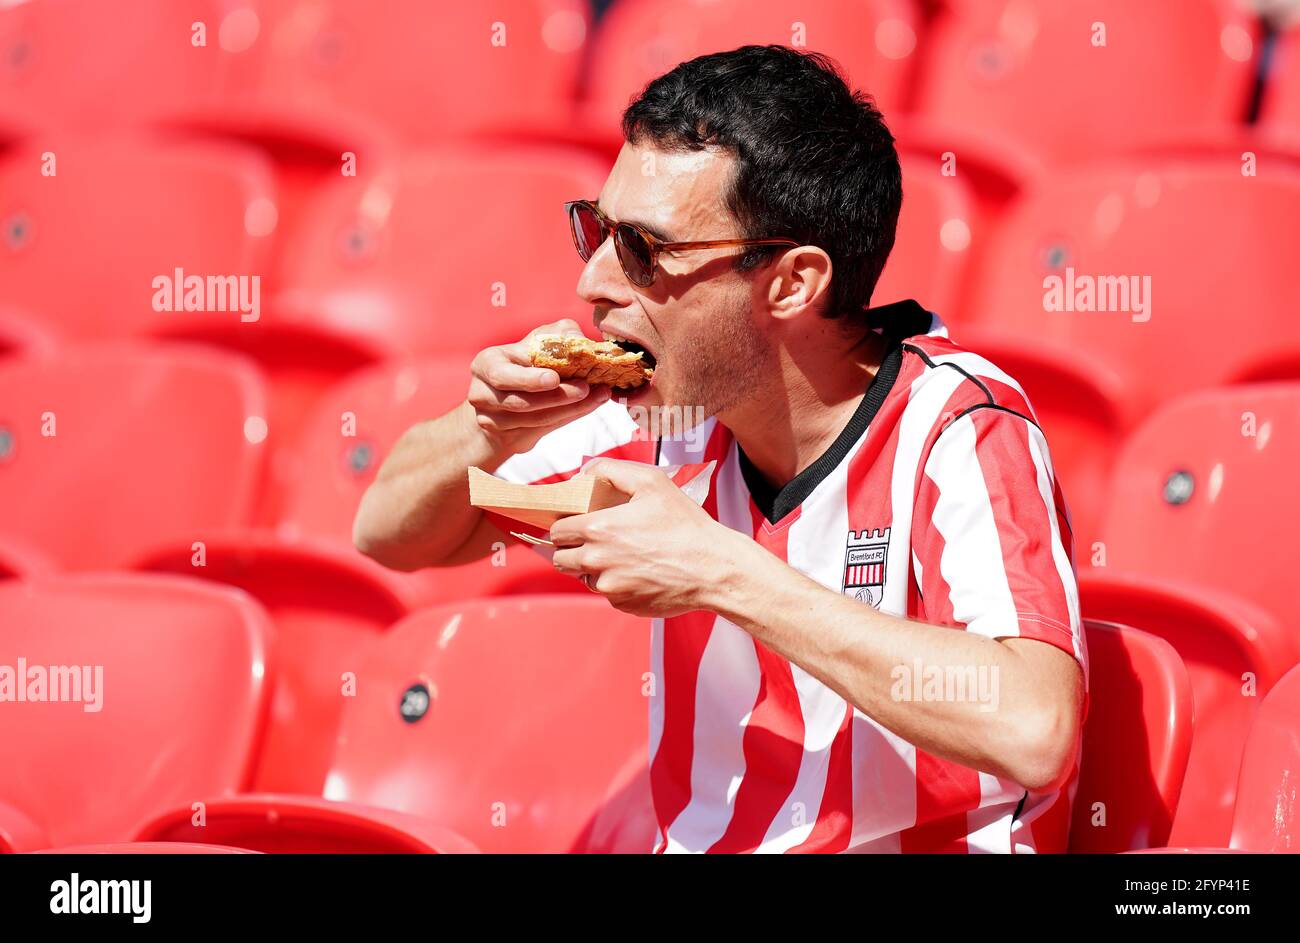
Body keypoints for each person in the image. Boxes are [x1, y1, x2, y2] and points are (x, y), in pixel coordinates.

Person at [353, 45, 1086, 854]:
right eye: (595, 230)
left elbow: (1034, 723)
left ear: (791, 283)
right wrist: (484, 428)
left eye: (643, 250)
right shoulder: (666, 416)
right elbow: (389, 533)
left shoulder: (954, 421)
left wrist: (722, 570)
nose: (594, 282)